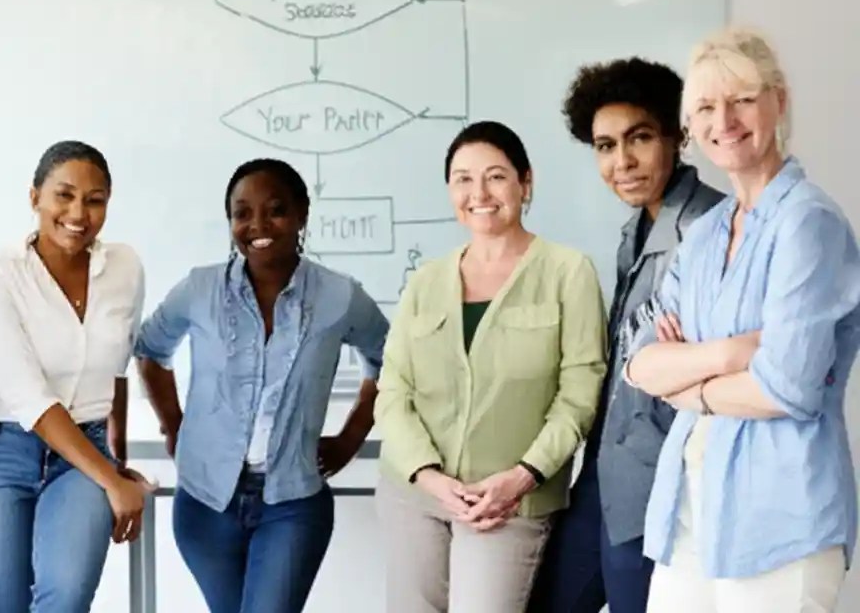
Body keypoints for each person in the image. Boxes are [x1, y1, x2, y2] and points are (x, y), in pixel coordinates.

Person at [623, 27, 860, 612]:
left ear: (779, 101)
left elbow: (789, 386)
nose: (723, 119)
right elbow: (639, 363)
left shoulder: (808, 224)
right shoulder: (703, 235)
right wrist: (730, 356)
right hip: (689, 517)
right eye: (705, 106)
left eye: (742, 99)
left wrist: (689, 389)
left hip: (782, 524)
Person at [134, 158, 390, 613]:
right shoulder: (200, 288)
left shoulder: (339, 295)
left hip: (292, 503)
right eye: (242, 213)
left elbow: (392, 361)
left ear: (301, 215)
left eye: (275, 210)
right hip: (206, 503)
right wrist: (175, 425)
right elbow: (151, 350)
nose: (257, 225)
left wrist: (352, 437)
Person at [374, 121, 608, 613]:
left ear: (526, 183)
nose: (478, 193)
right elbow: (393, 392)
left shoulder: (569, 272)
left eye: (496, 176)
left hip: (509, 502)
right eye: (462, 179)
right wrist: (428, 476)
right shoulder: (426, 281)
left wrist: (523, 476)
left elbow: (579, 395)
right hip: (416, 493)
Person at [529, 58, 724, 613]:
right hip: (603, 475)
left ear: (677, 136)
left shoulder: (711, 228)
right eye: (605, 146)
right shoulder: (633, 232)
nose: (622, 162)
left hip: (662, 483)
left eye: (639, 139)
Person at [0, 141, 151, 613]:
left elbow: (117, 371)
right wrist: (114, 483)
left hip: (84, 455)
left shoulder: (125, 268)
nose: (79, 212)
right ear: (34, 197)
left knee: (67, 598)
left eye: (95, 200)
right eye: (64, 195)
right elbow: (30, 398)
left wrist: (116, 459)